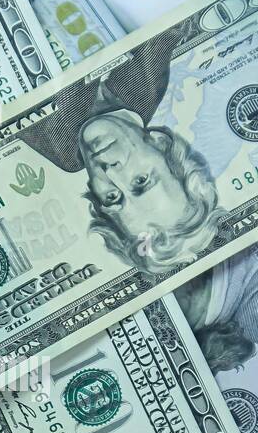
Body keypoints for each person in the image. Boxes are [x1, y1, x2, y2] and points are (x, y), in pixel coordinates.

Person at [18, 30, 224, 275]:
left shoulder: (54, 142)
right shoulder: (152, 65)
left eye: (112, 198)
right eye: (141, 181)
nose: (111, 173)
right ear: (160, 144)